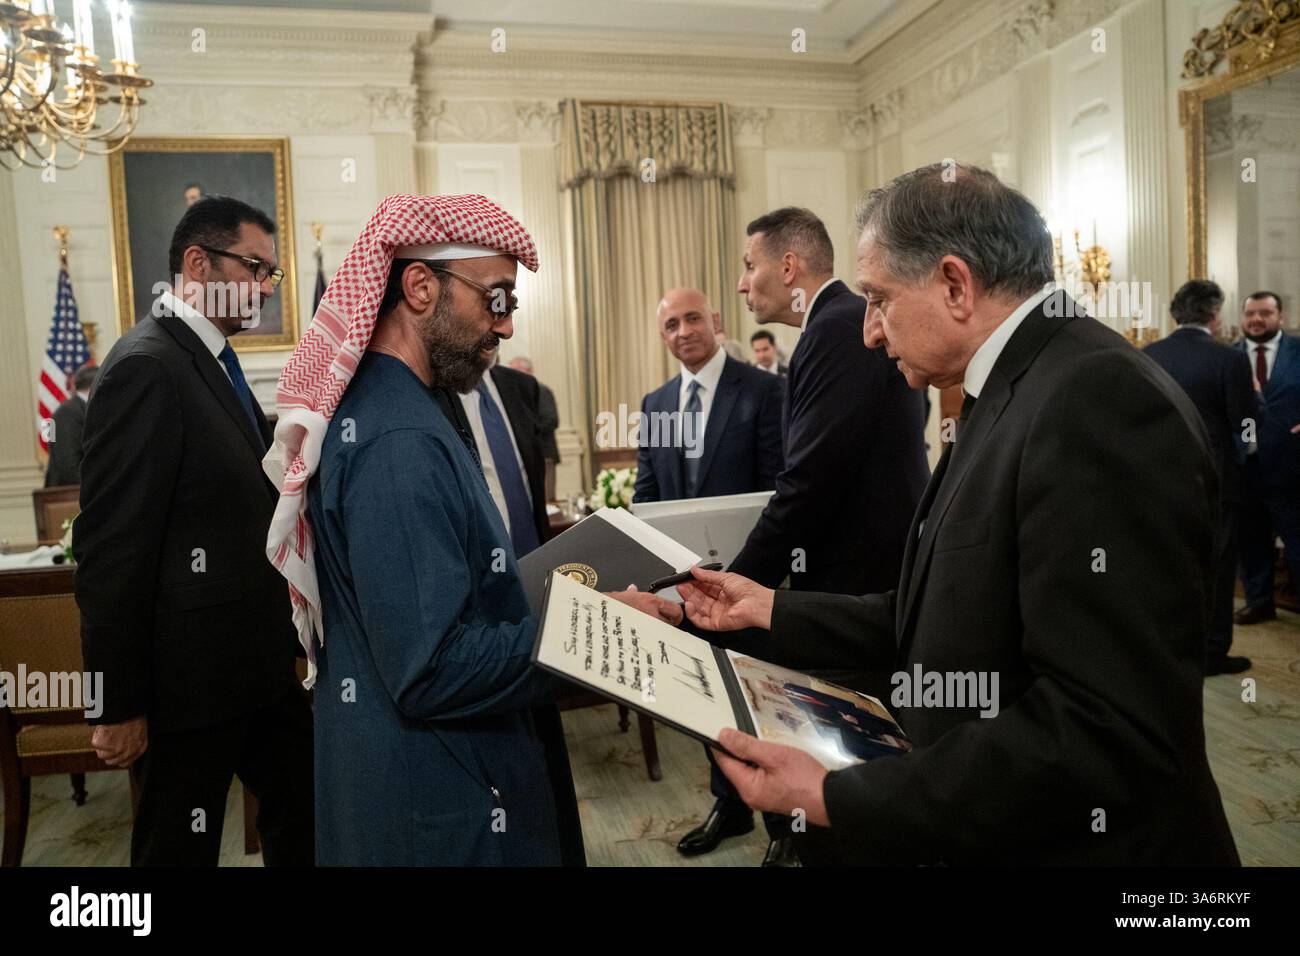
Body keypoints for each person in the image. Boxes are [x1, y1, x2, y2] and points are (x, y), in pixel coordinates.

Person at [677, 163, 1239, 866]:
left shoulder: (1097, 401)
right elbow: (938, 609)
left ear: (954, 284)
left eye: (878, 300)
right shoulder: (1012, 382)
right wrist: (767, 608)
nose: (871, 333)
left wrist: (839, 796)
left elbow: (1105, 729)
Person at [262, 194, 676, 866]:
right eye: (498, 299)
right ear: (421, 287)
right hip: (443, 808)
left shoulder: (400, 408)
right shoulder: (397, 439)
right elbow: (430, 669)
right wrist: (599, 631)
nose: (506, 327)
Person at [75, 196, 313, 866]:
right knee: (175, 853)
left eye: (273, 275)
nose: (265, 287)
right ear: (196, 262)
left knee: (307, 813)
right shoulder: (147, 364)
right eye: (254, 267)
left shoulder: (210, 360)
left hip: (256, 672)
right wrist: (112, 702)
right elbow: (111, 551)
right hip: (187, 690)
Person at [686, 207, 926, 866]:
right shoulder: (837, 326)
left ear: (787, 267)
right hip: (857, 583)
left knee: (850, 765)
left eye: (749, 265)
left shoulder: (838, 326)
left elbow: (808, 483)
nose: (742, 284)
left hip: (860, 589)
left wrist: (726, 588)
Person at [1144, 280, 1254, 674]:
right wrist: (1249, 455)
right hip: (1217, 476)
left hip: (1160, 475)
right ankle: (1211, 650)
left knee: (1167, 560)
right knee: (1219, 564)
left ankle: (1170, 645)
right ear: (1214, 314)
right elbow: (1245, 426)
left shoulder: (1148, 355)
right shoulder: (1229, 359)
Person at [633, 287, 783, 503]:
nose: (684, 332)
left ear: (716, 322)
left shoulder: (764, 390)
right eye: (672, 325)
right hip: (670, 536)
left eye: (693, 318)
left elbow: (774, 486)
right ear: (664, 337)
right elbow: (646, 494)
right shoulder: (654, 404)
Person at [1233, 291, 1300, 625]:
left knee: (1296, 538)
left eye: (1265, 313)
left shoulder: (1298, 352)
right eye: (1250, 314)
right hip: (1246, 467)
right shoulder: (1228, 357)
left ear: (1280, 317)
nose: (1256, 320)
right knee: (1250, 540)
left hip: (1292, 466)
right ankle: (1260, 601)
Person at [460, 355, 551, 555]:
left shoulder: (523, 386)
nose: (505, 330)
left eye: (502, 320)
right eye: (489, 320)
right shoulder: (435, 393)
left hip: (536, 549)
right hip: (481, 560)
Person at [507, 355, 562, 501]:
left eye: (513, 371)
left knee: (547, 501)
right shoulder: (516, 393)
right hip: (526, 458)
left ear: (527, 371)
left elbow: (551, 421)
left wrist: (524, 430)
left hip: (544, 456)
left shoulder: (541, 390)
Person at [44, 364, 97, 487]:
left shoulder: (81, 408)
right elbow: (67, 464)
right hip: (67, 495)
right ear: (98, 385)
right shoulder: (67, 412)